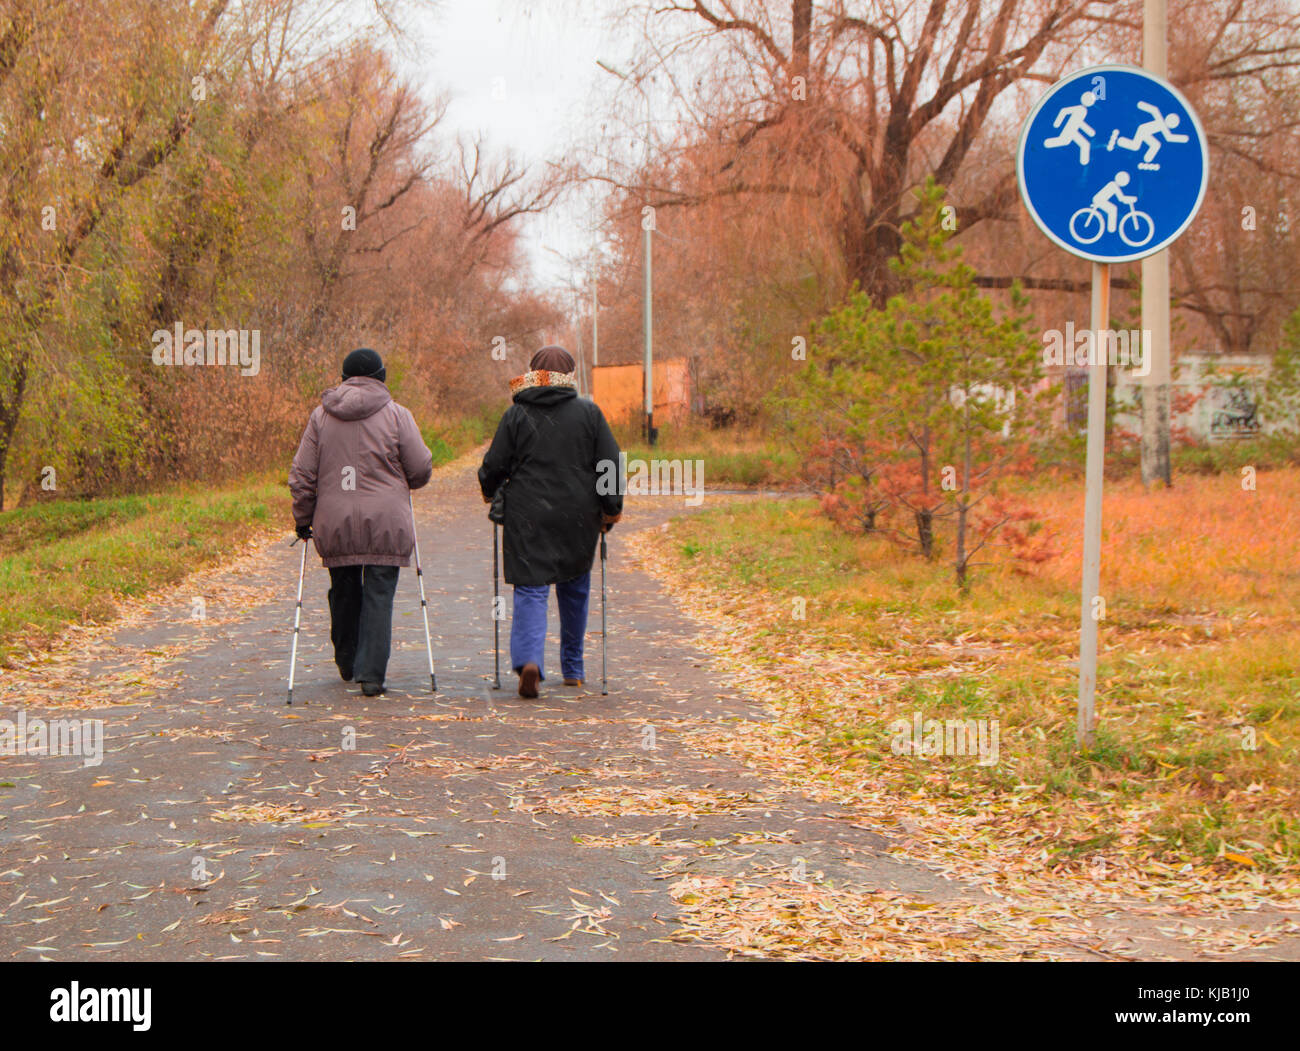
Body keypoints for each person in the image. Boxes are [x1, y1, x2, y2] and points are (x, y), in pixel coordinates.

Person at [478, 345, 622, 698]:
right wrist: (611, 508)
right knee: (574, 585)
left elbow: (494, 464)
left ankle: (530, 662)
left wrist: (489, 488)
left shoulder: (516, 415)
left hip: (527, 514)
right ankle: (572, 668)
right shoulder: (589, 413)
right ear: (570, 375)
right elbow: (610, 464)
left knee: (531, 588)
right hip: (578, 514)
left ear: (532, 373)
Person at [289, 348, 433, 696]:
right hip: (386, 521)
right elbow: (420, 469)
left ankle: (348, 659)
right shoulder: (398, 415)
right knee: (380, 594)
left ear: (344, 378)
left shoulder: (321, 418)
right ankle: (371, 675)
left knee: (345, 588)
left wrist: (303, 518)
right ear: (381, 377)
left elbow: (302, 476)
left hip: (335, 521)